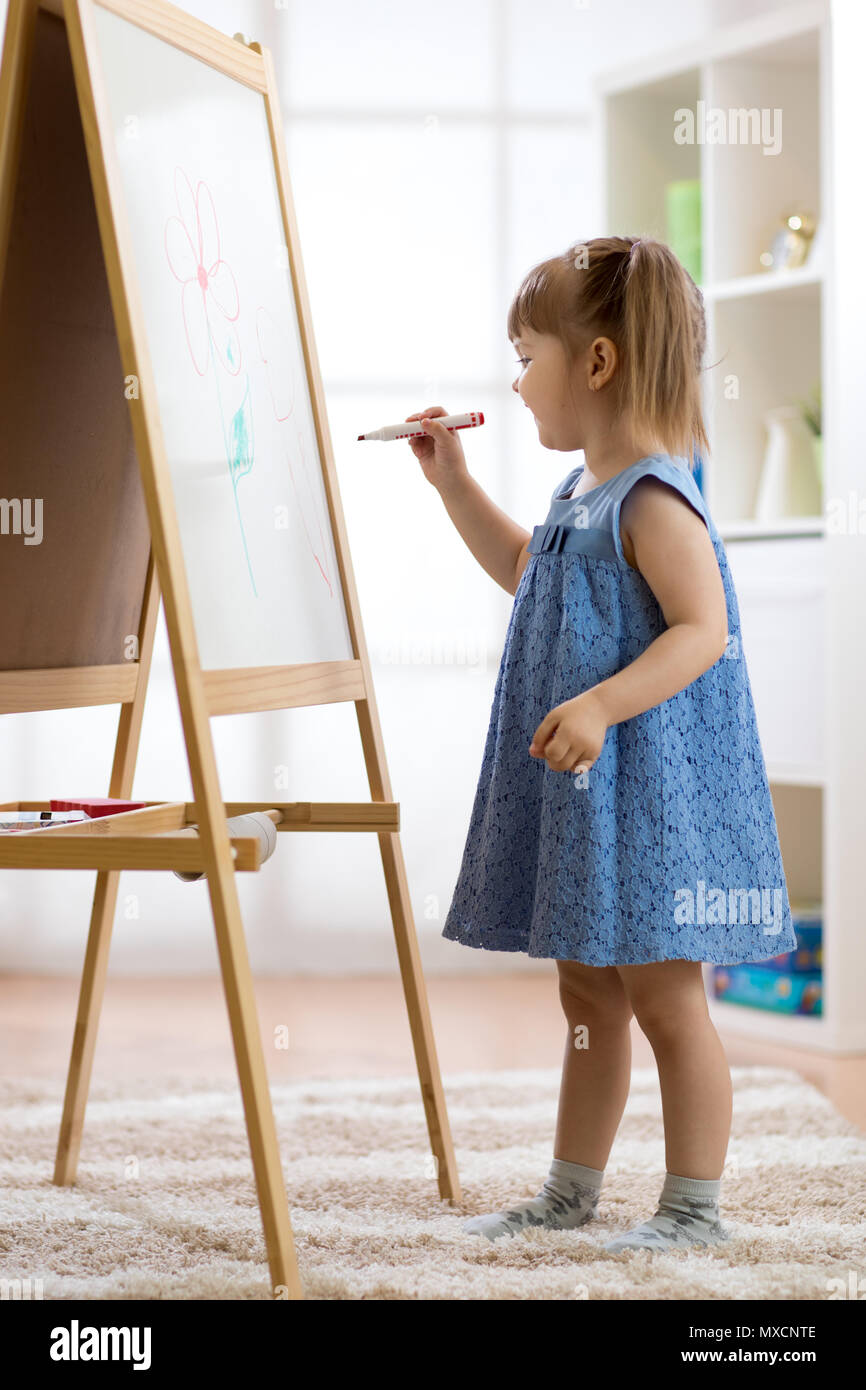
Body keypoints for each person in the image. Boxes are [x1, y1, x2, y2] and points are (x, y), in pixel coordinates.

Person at [404, 235, 797, 1254]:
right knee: (585, 990)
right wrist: (451, 484)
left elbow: (699, 629)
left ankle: (690, 1209)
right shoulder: (576, 493)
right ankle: (569, 1190)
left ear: (596, 363)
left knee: (664, 996)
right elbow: (524, 572)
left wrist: (600, 706)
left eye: (526, 354)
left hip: (648, 795)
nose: (514, 380)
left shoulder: (655, 498)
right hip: (588, 798)